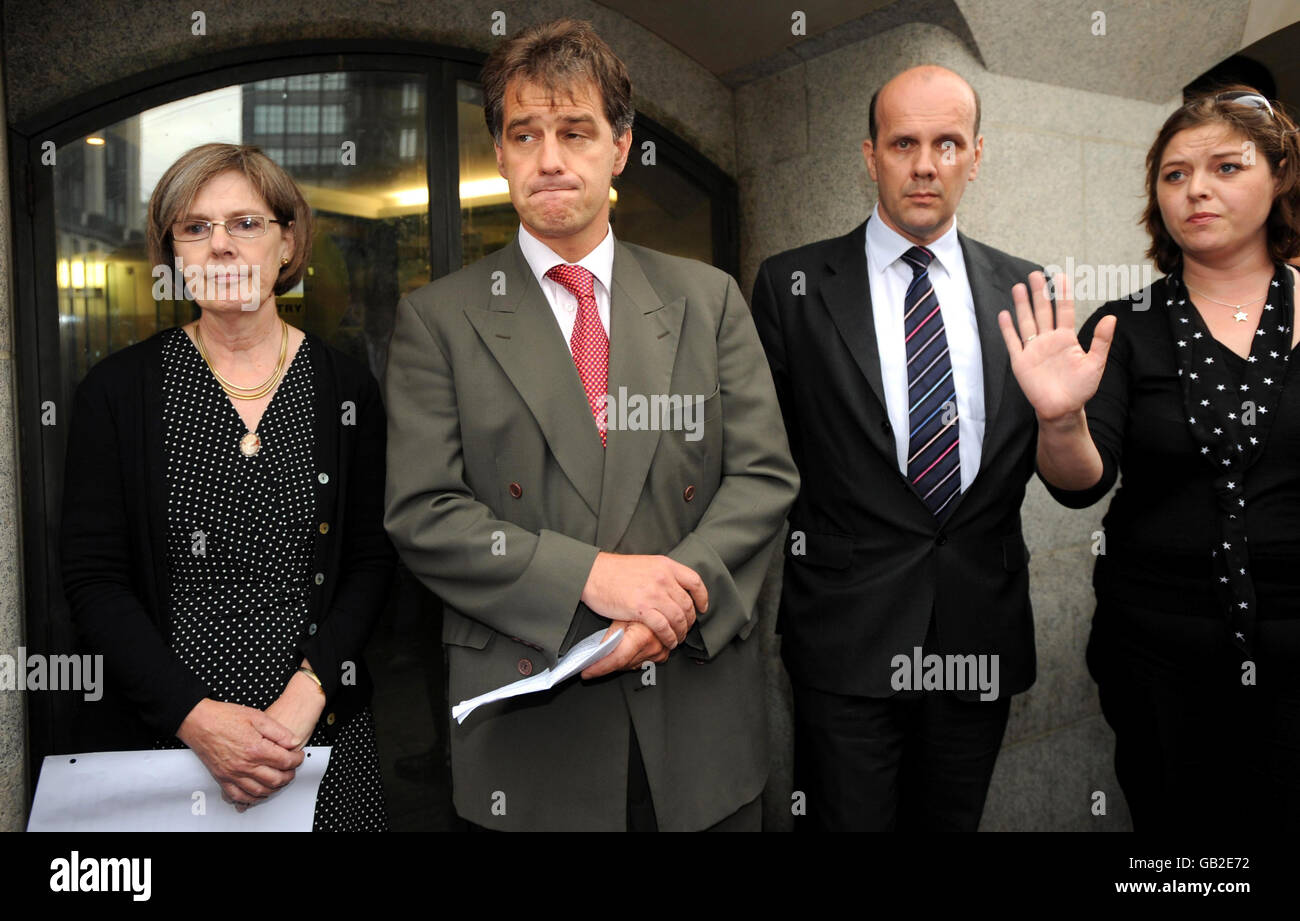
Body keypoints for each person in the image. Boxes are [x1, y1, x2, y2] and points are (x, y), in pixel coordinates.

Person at [383, 18, 799, 831]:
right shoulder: (437, 319)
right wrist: (593, 576)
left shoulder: (707, 299)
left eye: (576, 131)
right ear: (498, 152)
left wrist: (672, 600)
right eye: (524, 133)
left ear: (621, 146)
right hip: (533, 730)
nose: (549, 158)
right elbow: (424, 514)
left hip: (699, 712)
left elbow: (763, 477)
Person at [60, 143, 395, 830]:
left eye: (245, 223)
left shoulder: (347, 389)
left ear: (287, 240)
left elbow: (371, 560)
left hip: (315, 738)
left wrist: (308, 694)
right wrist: (196, 717)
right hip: (170, 742)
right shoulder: (118, 392)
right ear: (173, 251)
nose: (220, 246)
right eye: (195, 227)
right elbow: (95, 579)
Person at [750, 65, 1045, 831]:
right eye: (903, 142)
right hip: (846, 639)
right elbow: (760, 463)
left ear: (976, 154)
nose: (924, 164)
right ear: (870, 153)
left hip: (977, 632)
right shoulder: (792, 286)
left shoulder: (1027, 290)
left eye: (947, 143)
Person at [1002, 87, 1300, 831]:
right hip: (1160, 652)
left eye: (1226, 166)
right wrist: (1060, 418)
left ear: (1281, 176)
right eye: (1173, 174)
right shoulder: (1124, 327)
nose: (1195, 188)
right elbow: (1080, 484)